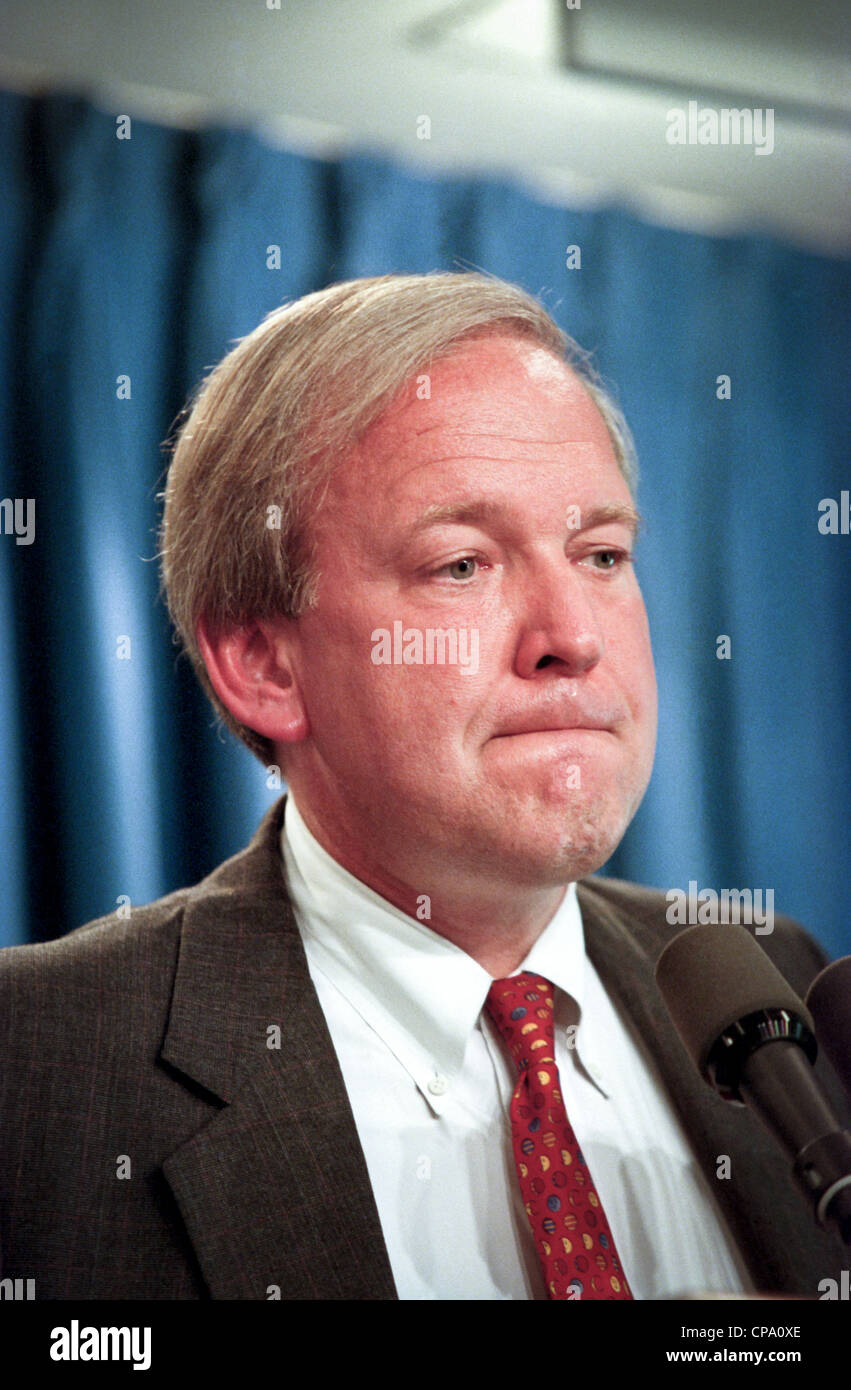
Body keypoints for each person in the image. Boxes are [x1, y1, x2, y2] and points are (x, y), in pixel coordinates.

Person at [0, 273, 846, 1301]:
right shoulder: (39, 1067)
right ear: (264, 663)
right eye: (460, 565)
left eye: (600, 553)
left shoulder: (777, 990)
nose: (571, 639)